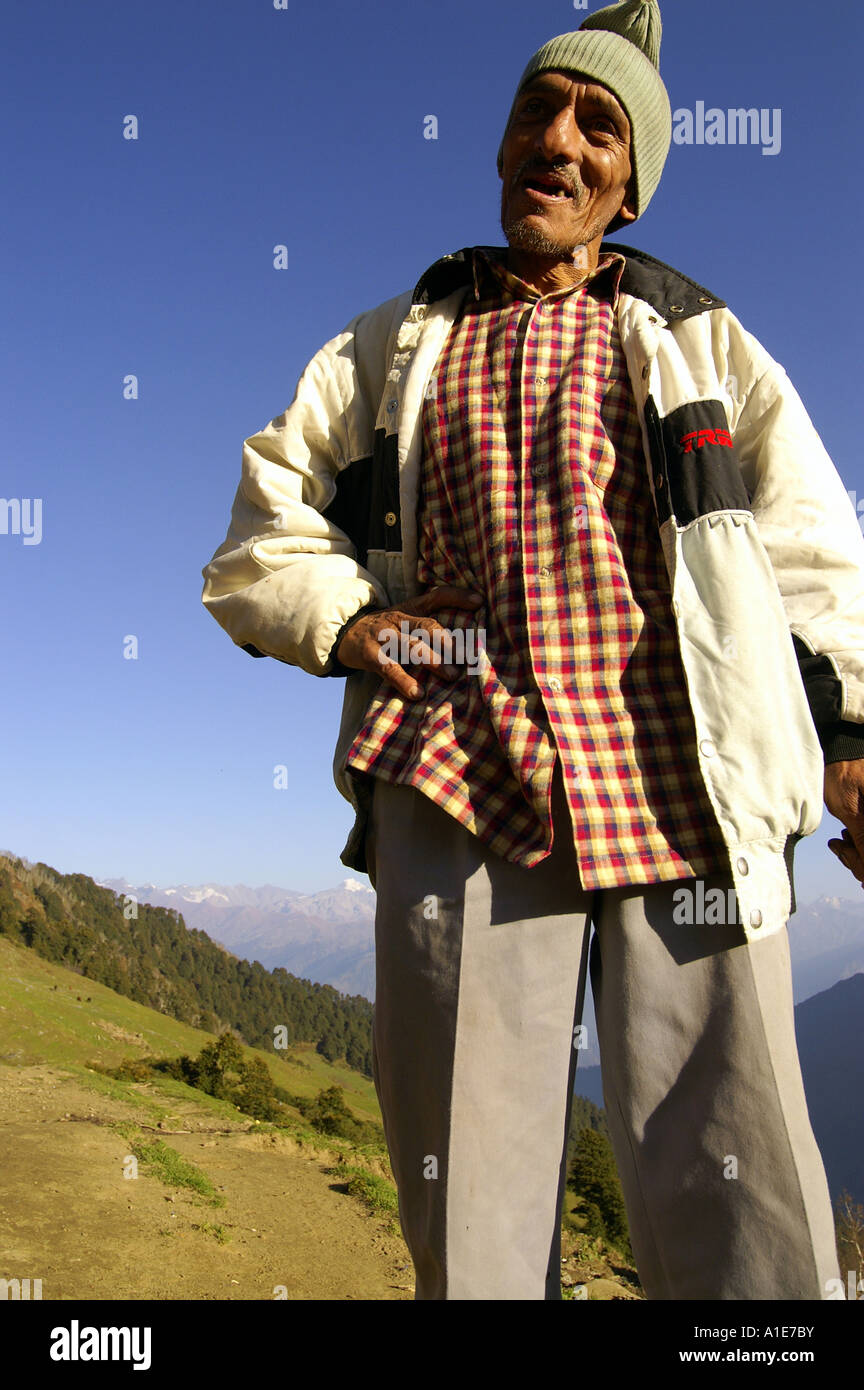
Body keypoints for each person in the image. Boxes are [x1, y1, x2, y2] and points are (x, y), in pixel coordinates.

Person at [202, 0, 864, 1300]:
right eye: (537, 113)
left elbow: (810, 554)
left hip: (687, 779)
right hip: (459, 778)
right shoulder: (392, 349)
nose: (558, 142)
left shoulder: (700, 342)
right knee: (474, 1205)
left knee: (745, 1193)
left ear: (630, 185)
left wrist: (851, 741)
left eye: (599, 127)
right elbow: (263, 518)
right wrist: (344, 619)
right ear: (501, 146)